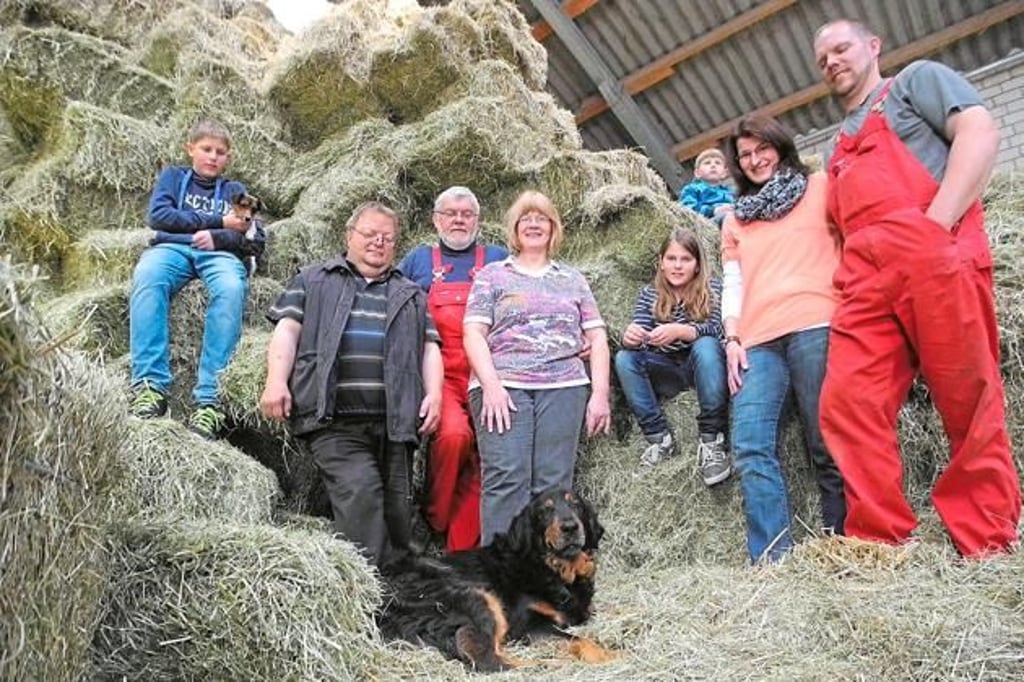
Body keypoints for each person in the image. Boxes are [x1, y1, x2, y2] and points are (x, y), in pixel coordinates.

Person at [813, 20, 1021, 557]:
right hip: (864, 277)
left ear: (873, 46)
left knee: (967, 396)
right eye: (822, 59)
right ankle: (878, 540)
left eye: (841, 48)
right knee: (847, 402)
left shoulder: (914, 83)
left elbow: (979, 132)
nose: (831, 62)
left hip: (929, 249)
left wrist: (935, 227)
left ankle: (986, 539)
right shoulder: (834, 148)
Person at [259, 201, 443, 567]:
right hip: (334, 419)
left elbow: (430, 349)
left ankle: (397, 584)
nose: (378, 242)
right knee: (361, 491)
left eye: (387, 237)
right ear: (349, 235)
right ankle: (373, 588)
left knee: (395, 511)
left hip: (395, 421)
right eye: (370, 234)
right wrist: (275, 381)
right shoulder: (314, 279)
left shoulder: (411, 293)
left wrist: (435, 395)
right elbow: (287, 330)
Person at [721, 115, 846, 563]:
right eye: (745, 155)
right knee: (750, 446)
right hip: (757, 339)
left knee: (825, 439)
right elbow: (733, 282)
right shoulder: (736, 218)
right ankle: (773, 559)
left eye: (762, 149)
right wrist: (731, 338)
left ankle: (845, 542)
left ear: (780, 145)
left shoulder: (821, 187)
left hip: (817, 323)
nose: (755, 160)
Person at [463, 190, 611, 546]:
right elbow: (473, 333)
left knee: (553, 483)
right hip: (503, 386)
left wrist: (600, 394)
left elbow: (598, 338)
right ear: (514, 229)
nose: (533, 224)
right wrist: (491, 387)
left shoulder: (572, 278)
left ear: (553, 227)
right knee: (506, 477)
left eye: (541, 218)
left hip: (563, 387)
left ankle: (549, 566)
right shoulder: (492, 275)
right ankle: (502, 567)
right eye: (525, 218)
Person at [129, 119, 266, 440]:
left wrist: (218, 238)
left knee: (231, 288)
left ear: (229, 157)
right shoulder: (173, 177)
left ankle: (210, 401)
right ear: (190, 149)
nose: (213, 157)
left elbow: (255, 239)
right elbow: (159, 217)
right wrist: (219, 221)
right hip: (172, 249)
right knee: (147, 277)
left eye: (220, 152)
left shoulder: (236, 191)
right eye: (206, 149)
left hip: (219, 255)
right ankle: (149, 386)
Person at [398, 186, 508, 551]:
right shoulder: (417, 260)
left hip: (489, 373)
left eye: (467, 214)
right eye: (450, 213)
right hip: (440, 372)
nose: (458, 220)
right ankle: (433, 519)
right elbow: (391, 302)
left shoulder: (498, 258)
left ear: (478, 220)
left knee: (488, 453)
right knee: (454, 437)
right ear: (436, 220)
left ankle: (459, 547)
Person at [614, 227, 731, 485]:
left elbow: (718, 328)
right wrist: (631, 336)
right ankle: (659, 439)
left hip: (703, 370)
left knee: (707, 344)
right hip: (666, 369)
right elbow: (640, 331)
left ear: (697, 265)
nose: (677, 266)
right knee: (624, 358)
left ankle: (712, 439)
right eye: (671, 258)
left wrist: (682, 331)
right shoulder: (650, 294)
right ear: (661, 263)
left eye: (685, 259)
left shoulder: (713, 288)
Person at [678, 148, 735, 226]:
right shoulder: (691, 189)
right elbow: (687, 209)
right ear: (697, 173)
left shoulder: (731, 192)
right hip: (709, 223)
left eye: (718, 163)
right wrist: (713, 211)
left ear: (724, 173)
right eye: (707, 163)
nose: (713, 165)